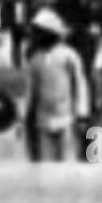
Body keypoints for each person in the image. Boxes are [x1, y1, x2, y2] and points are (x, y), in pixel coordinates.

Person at [25, 9, 89, 161]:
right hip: (43, 119)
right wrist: (26, 116)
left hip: (66, 118)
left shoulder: (68, 55)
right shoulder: (35, 59)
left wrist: (82, 113)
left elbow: (80, 84)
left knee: (67, 161)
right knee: (46, 164)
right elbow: (31, 91)